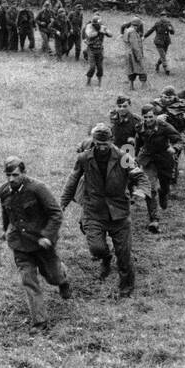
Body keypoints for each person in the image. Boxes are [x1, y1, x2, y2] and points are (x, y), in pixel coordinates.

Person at [60, 125, 149, 298]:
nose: (101, 147)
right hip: (94, 211)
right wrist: (62, 203)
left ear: (111, 141)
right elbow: (73, 180)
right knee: (96, 248)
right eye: (98, 143)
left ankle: (126, 289)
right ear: (93, 141)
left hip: (119, 213)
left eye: (105, 143)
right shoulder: (84, 158)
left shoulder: (124, 156)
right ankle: (106, 258)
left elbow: (139, 176)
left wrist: (140, 191)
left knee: (124, 255)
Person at [0, 157, 70, 332]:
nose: (11, 179)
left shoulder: (38, 189)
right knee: (28, 280)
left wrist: (47, 235)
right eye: (8, 175)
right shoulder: (4, 191)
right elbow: (6, 212)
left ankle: (63, 279)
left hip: (41, 243)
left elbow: (56, 214)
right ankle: (40, 322)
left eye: (15, 175)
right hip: (20, 244)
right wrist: (5, 229)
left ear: (24, 172)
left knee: (53, 277)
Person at [134, 106, 184, 233]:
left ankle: (164, 193)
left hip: (164, 159)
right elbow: (138, 143)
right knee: (149, 188)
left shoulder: (164, 126)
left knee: (165, 185)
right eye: (146, 117)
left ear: (155, 116)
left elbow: (179, 140)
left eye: (151, 117)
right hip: (148, 160)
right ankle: (154, 220)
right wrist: (136, 158)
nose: (148, 119)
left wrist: (175, 148)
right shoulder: (140, 127)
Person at [119, 17, 150, 89]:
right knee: (142, 70)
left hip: (128, 53)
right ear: (137, 25)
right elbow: (135, 45)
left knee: (130, 70)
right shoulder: (133, 32)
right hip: (133, 54)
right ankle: (144, 86)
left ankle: (131, 86)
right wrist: (139, 56)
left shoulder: (127, 30)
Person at [83, 18, 112, 87]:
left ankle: (99, 83)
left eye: (99, 24)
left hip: (99, 50)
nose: (98, 25)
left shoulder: (102, 27)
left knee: (100, 67)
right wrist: (99, 31)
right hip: (91, 49)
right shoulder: (89, 26)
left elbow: (110, 34)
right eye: (96, 24)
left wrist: (105, 31)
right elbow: (90, 34)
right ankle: (88, 81)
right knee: (92, 67)